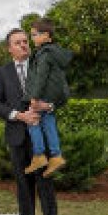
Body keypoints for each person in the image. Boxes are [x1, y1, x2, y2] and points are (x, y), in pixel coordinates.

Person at [0, 28, 58, 215]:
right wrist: (20, 116)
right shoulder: (2, 73)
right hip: (17, 139)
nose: (23, 45)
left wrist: (46, 106)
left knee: (45, 187)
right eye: (17, 43)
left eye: (25, 41)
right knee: (24, 189)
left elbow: (59, 96)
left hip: (40, 139)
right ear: (9, 49)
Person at [22, 18, 73, 178]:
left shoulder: (44, 54)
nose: (32, 38)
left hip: (43, 95)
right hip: (53, 96)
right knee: (48, 121)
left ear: (46, 35)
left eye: (35, 35)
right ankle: (56, 156)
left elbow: (41, 77)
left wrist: (34, 97)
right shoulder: (55, 52)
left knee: (33, 120)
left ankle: (39, 156)